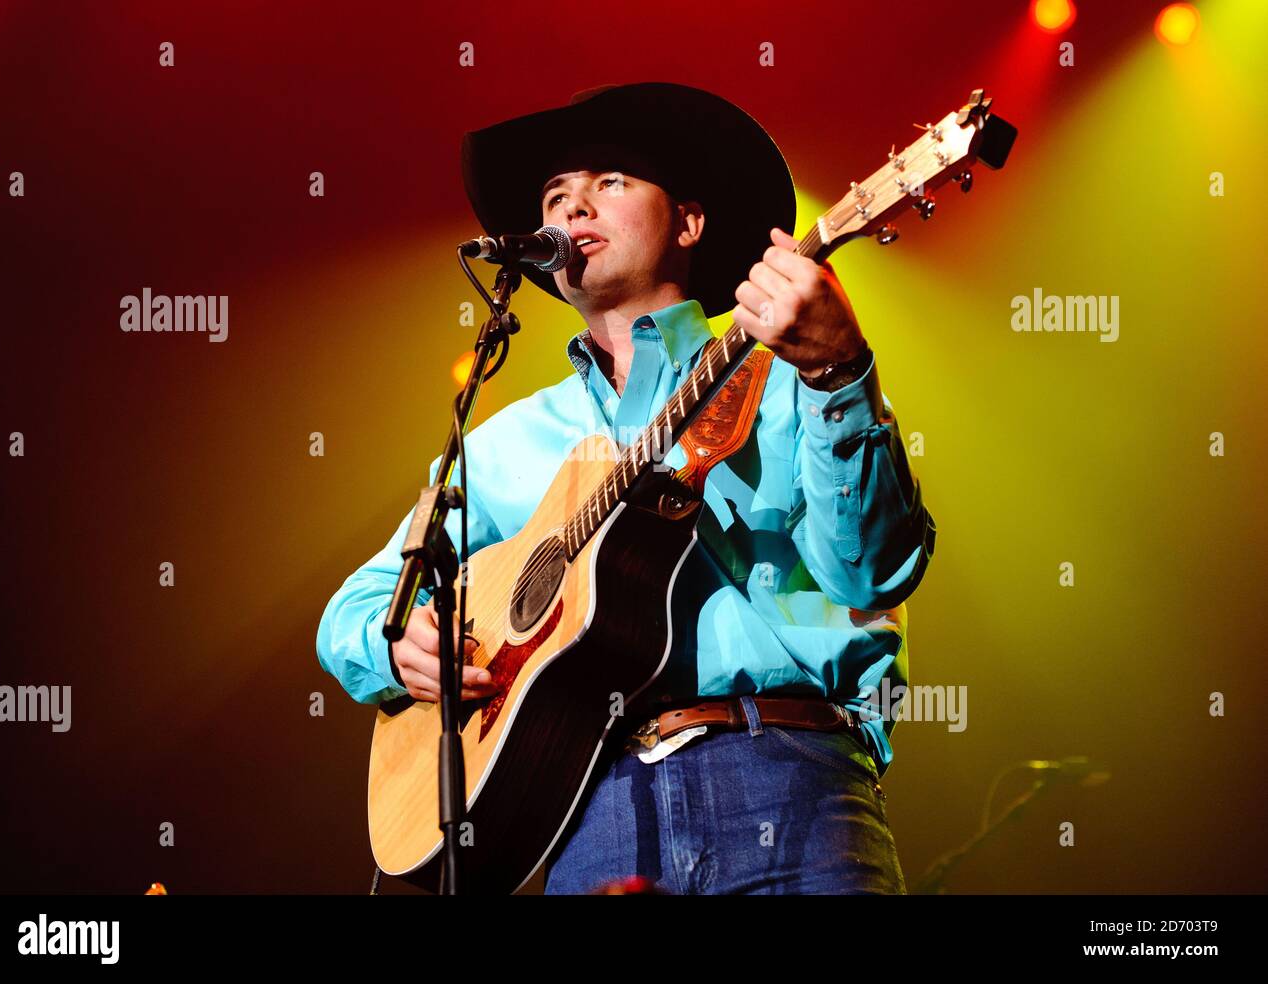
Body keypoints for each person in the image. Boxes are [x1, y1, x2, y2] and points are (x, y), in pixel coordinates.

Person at [317, 82, 937, 894]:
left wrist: (838, 370)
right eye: (555, 196)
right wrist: (397, 649)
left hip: (788, 776)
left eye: (609, 182)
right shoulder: (504, 443)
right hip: (586, 806)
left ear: (688, 221)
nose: (574, 207)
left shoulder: (789, 379)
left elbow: (874, 574)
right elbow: (353, 612)